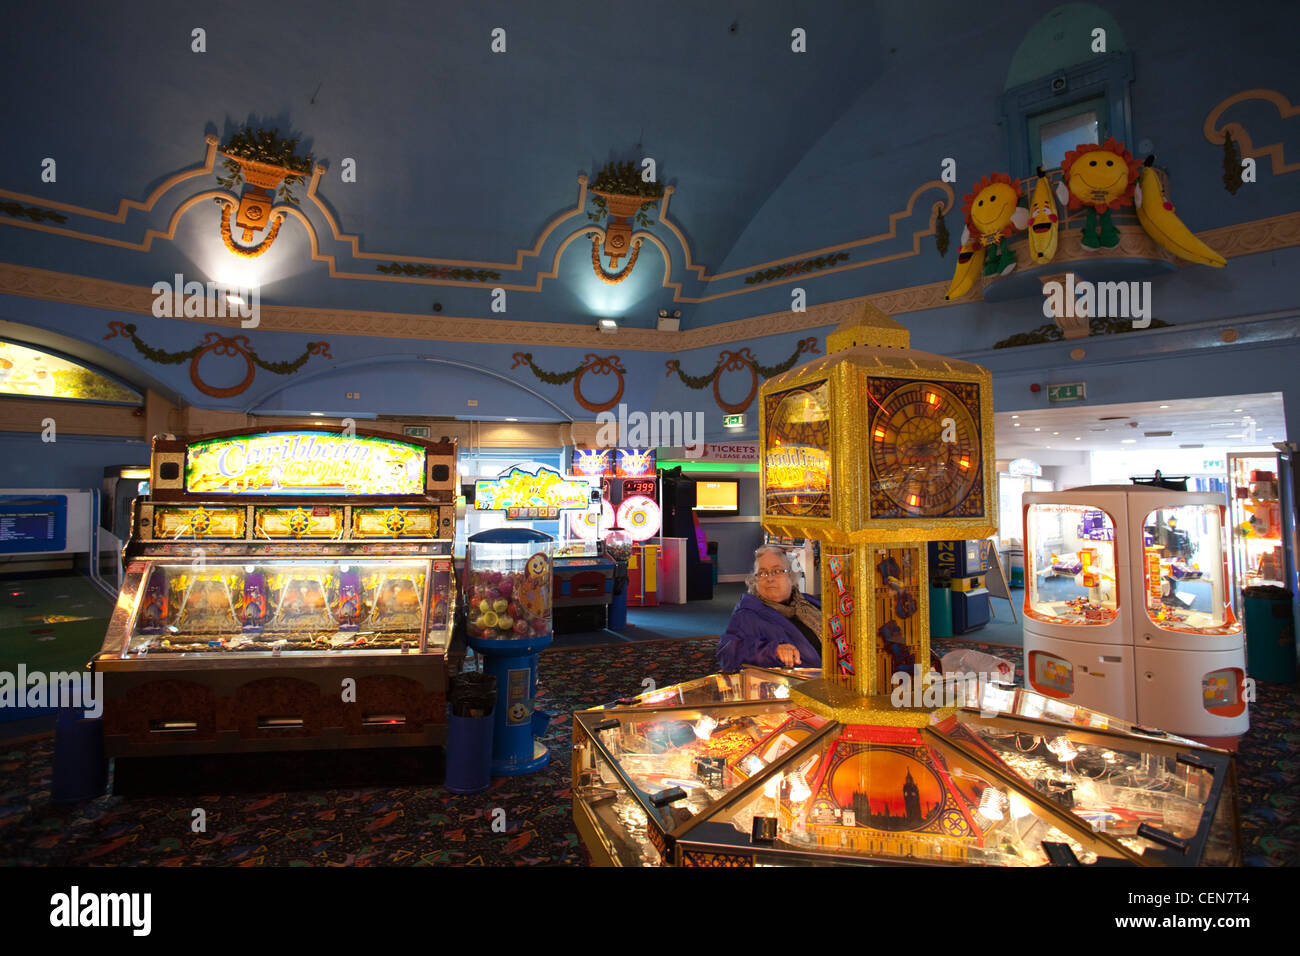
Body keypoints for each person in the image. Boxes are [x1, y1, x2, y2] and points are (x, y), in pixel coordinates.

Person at [717, 545, 822, 672]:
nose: (769, 578)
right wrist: (772, 651)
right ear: (755, 581)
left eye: (777, 571)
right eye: (762, 573)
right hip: (802, 685)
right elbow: (728, 654)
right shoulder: (748, 613)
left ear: (790, 576)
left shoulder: (808, 602)